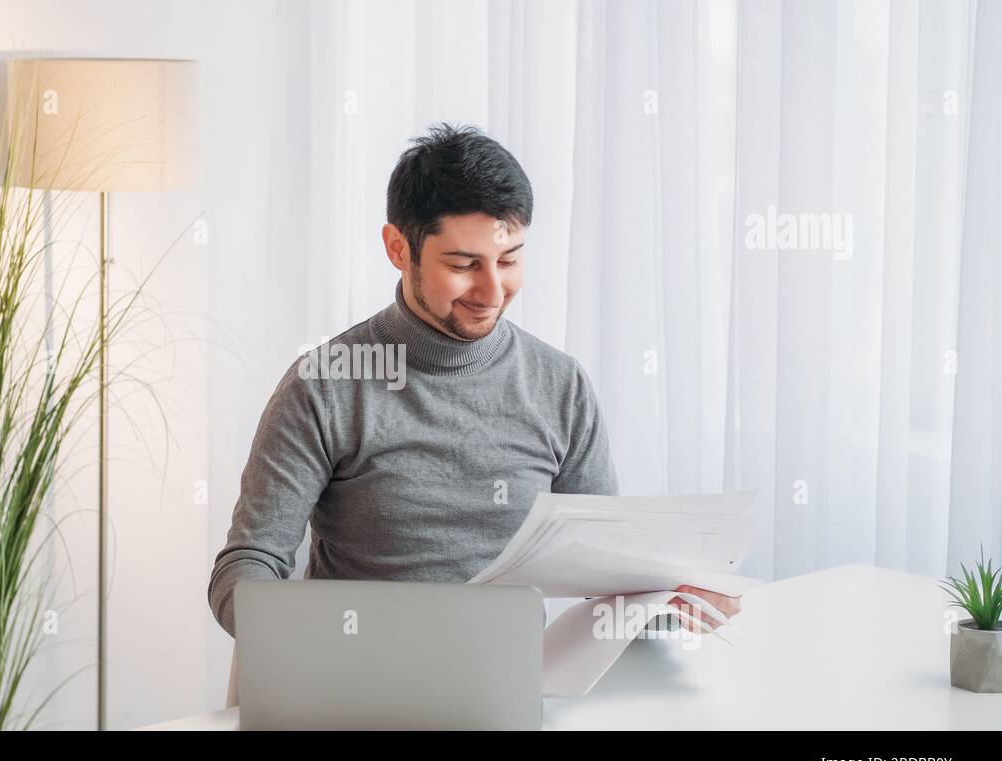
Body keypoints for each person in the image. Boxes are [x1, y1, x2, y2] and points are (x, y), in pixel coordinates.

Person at [207, 123, 740, 638]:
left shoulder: (560, 385)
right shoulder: (324, 386)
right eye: (464, 264)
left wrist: (671, 607)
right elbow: (247, 564)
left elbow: (606, 579)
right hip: (360, 685)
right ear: (398, 248)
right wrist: (304, 643)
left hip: (514, 689)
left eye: (509, 260)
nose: (492, 291)